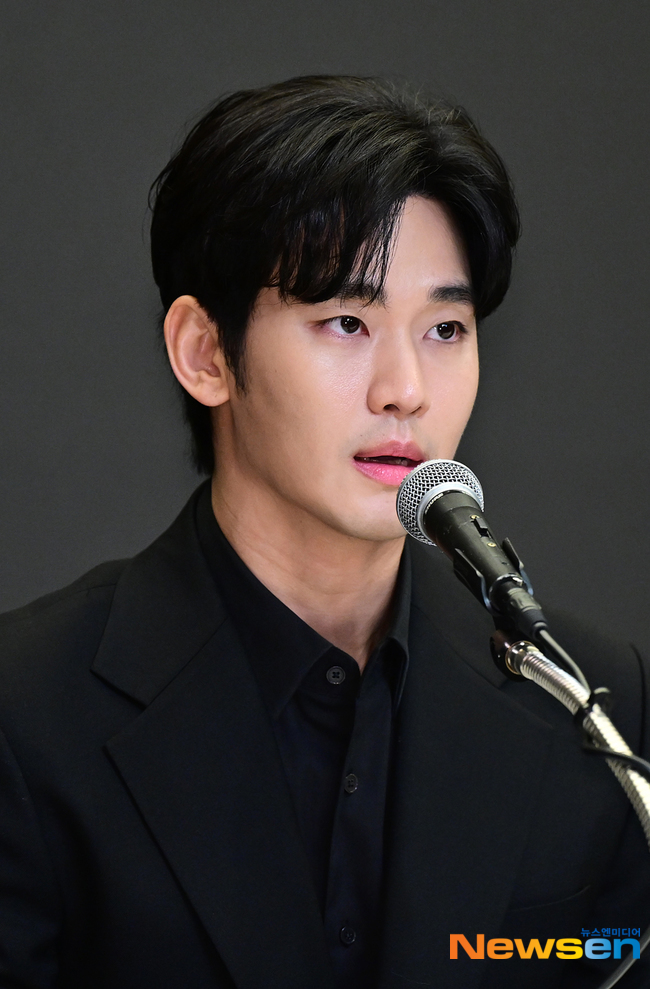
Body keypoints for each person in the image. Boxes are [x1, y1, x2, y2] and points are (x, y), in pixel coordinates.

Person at [0, 75, 648, 989]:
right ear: (205, 353)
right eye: (347, 321)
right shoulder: (26, 711)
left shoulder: (587, 699)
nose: (405, 390)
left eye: (446, 328)